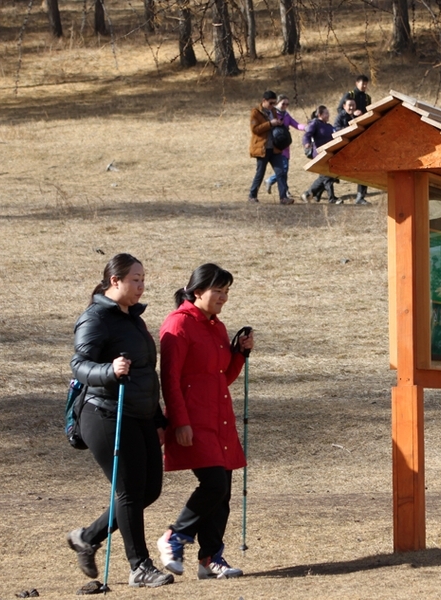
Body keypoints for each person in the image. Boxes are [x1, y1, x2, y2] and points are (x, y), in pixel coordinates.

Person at [66, 253, 173, 588]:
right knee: (128, 490)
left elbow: (145, 373)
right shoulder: (95, 319)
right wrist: (108, 371)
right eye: (135, 279)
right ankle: (140, 567)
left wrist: (157, 417)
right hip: (104, 412)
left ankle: (86, 537)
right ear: (115, 281)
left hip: (140, 414)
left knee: (149, 489)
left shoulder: (134, 320)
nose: (141, 286)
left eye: (143, 279)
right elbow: (79, 365)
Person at [157, 264, 254, 580]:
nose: (224, 297)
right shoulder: (177, 326)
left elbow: (220, 379)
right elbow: (170, 380)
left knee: (222, 491)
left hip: (220, 419)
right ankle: (175, 537)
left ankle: (210, 558)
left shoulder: (218, 327)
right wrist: (180, 422)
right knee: (212, 484)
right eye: (218, 290)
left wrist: (238, 353)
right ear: (197, 291)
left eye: (227, 291)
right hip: (194, 420)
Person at [249, 90, 293, 205]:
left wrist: (279, 124)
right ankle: (252, 195)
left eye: (274, 103)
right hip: (263, 148)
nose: (273, 105)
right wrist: (270, 124)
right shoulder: (255, 113)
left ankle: (283, 198)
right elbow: (255, 129)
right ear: (264, 101)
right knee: (260, 173)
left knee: (281, 172)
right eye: (271, 103)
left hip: (274, 148)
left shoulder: (273, 111)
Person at [337, 75, 372, 205]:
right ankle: (313, 191)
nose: (364, 86)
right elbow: (340, 110)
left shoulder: (367, 98)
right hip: (347, 133)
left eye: (366, 84)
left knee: (364, 164)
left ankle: (360, 196)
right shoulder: (350, 94)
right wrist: (352, 115)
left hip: (361, 134)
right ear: (356, 83)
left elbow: (370, 112)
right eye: (362, 83)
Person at [264, 96, 306, 197]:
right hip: (276, 145)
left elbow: (296, 125)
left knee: (285, 170)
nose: (285, 106)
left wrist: (307, 127)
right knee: (283, 169)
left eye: (287, 104)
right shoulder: (272, 114)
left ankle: (284, 190)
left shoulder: (287, 115)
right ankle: (272, 181)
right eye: (283, 103)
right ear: (277, 103)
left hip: (285, 145)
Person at [300, 106, 339, 204]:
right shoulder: (315, 124)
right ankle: (332, 198)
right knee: (327, 175)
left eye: (328, 113)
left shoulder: (329, 126)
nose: (328, 115)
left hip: (329, 153)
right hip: (319, 154)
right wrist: (306, 143)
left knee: (325, 176)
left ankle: (309, 194)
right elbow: (307, 135)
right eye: (326, 113)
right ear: (319, 115)